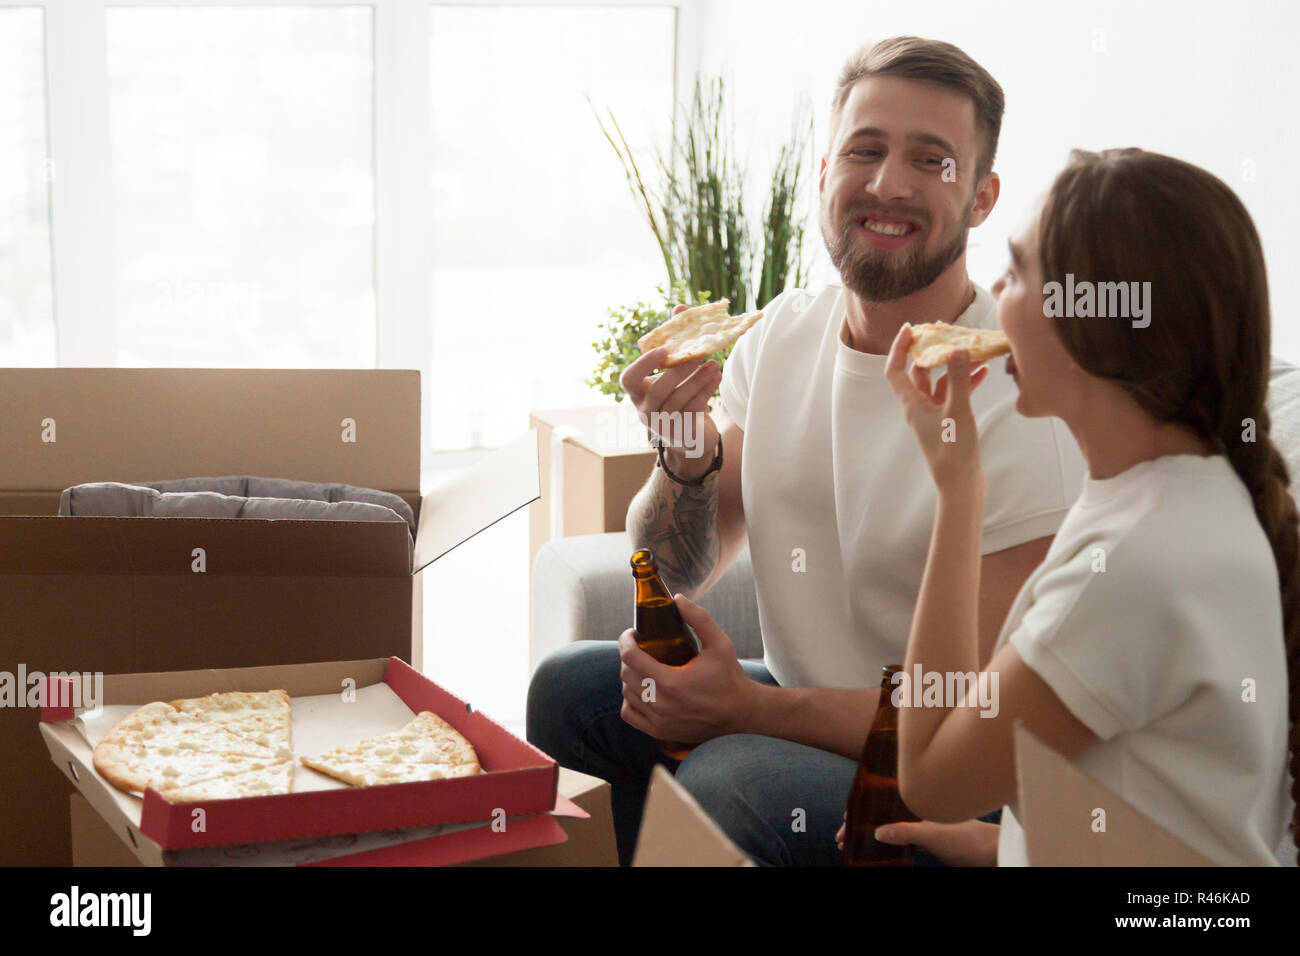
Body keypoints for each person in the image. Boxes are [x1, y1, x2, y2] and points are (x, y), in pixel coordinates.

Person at [527, 35, 1086, 866]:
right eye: (865, 150)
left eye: (930, 160)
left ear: (979, 198)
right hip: (813, 706)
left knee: (726, 773)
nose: (887, 183)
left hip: (961, 782)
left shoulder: (1016, 385)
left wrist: (741, 709)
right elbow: (674, 569)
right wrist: (685, 455)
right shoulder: (783, 336)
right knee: (569, 692)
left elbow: (966, 711)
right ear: (825, 174)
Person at [882, 147, 1297, 865]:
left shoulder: (1138, 561)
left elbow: (928, 776)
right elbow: (1168, 795)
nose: (995, 294)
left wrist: (959, 492)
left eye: (1015, 271)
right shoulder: (1181, 494)